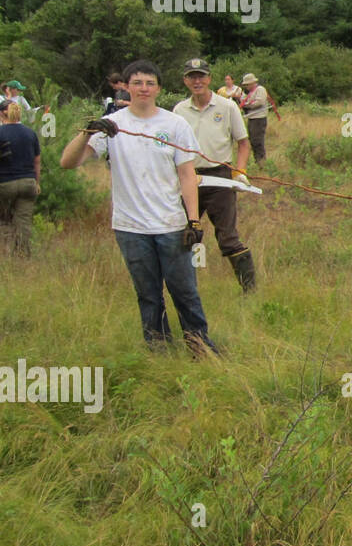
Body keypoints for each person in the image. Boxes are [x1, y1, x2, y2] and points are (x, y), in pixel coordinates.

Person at [60, 59, 221, 357]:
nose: (143, 88)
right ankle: (158, 349)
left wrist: (194, 221)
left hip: (171, 225)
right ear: (126, 86)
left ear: (159, 88)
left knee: (185, 292)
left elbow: (187, 175)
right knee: (148, 295)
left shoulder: (175, 124)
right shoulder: (113, 125)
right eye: (137, 82)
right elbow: (67, 162)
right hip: (130, 228)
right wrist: (87, 131)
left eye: (149, 83)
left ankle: (200, 347)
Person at [174, 58, 257, 291]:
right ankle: (183, 288)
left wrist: (240, 172)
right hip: (189, 176)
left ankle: (249, 291)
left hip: (220, 176)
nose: (197, 81)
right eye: (192, 76)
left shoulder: (227, 106)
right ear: (185, 81)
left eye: (201, 76)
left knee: (228, 237)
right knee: (184, 232)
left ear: (209, 78)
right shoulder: (179, 110)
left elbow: (243, 143)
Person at [0, 98, 41, 257]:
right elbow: (37, 161)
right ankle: (22, 255)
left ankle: (6, 253)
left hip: (5, 183)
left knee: (4, 220)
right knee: (23, 222)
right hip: (28, 182)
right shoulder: (30, 133)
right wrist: (37, 182)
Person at [240, 73, 270, 162]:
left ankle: (261, 161)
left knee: (257, 141)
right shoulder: (249, 92)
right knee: (252, 140)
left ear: (253, 83)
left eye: (247, 84)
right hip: (252, 118)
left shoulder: (260, 89)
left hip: (259, 118)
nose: (246, 87)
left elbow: (259, 102)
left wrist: (247, 105)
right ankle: (258, 160)